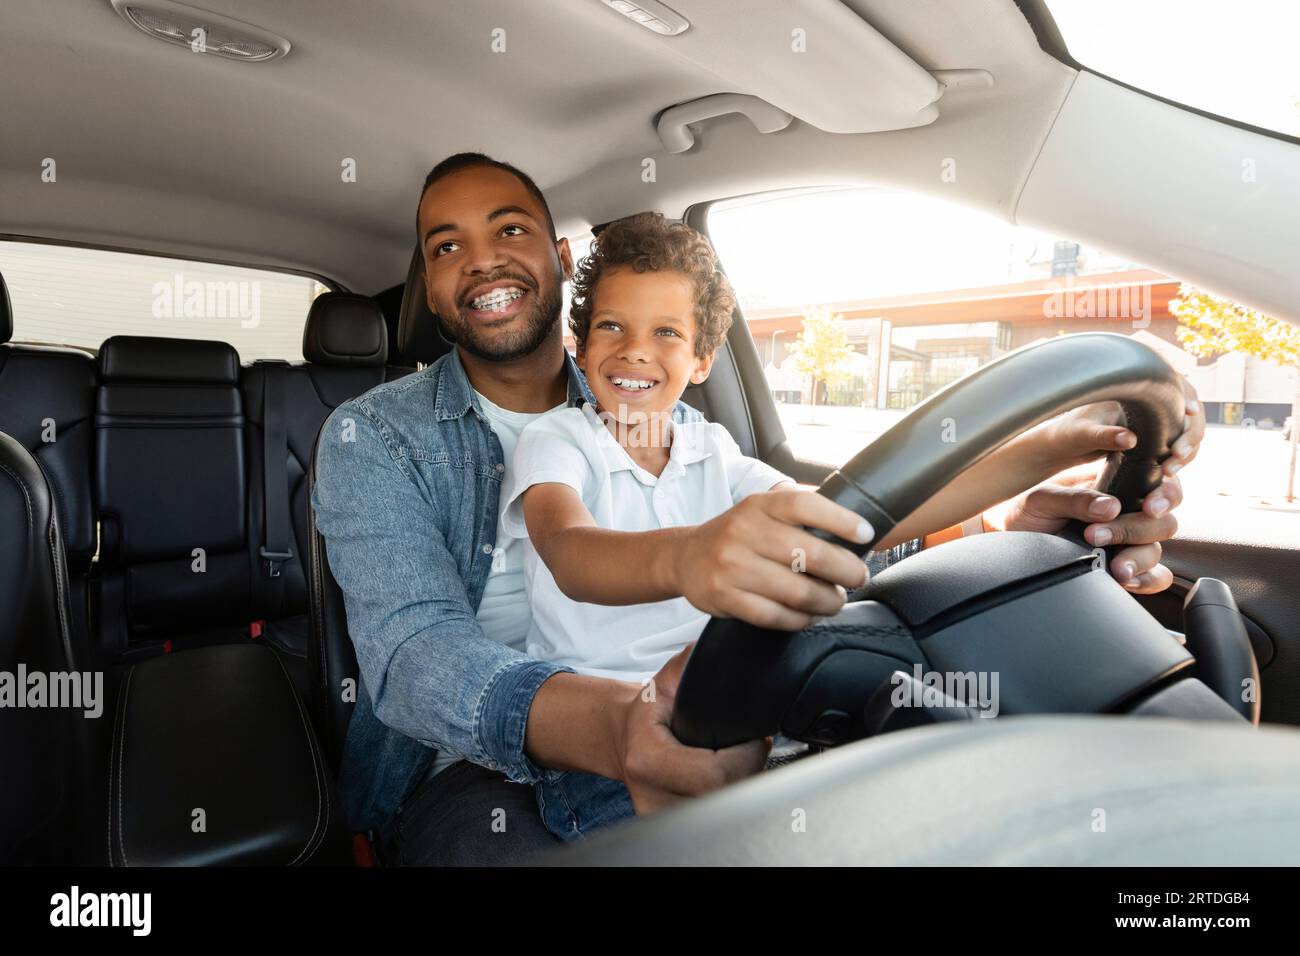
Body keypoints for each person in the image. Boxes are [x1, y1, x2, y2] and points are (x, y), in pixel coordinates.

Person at [310, 152, 1205, 865]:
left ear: (558, 259)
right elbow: (416, 658)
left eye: (508, 230)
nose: (480, 261)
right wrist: (620, 726)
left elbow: (815, 525)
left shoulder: (687, 431)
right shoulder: (374, 438)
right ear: (427, 289)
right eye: (444, 247)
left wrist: (1008, 514)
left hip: (715, 702)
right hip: (477, 756)